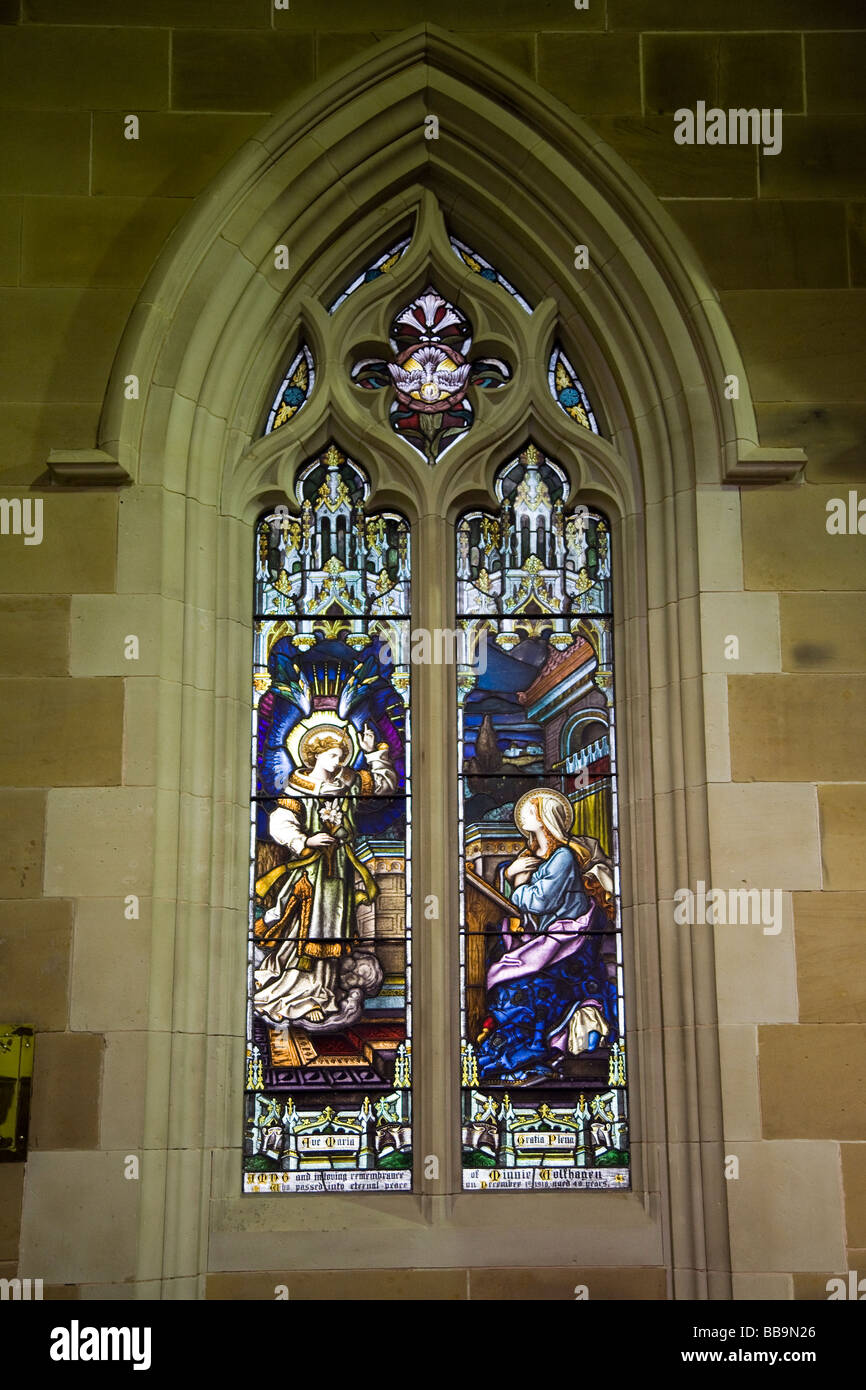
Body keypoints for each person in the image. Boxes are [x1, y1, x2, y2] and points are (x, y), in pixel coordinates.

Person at [253, 720, 396, 1026]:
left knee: (333, 930)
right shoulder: (298, 787)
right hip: (312, 867)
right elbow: (281, 822)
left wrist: (373, 754)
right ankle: (301, 991)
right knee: (304, 928)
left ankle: (323, 991)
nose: (339, 762)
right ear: (314, 756)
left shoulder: (349, 782)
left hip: (340, 869)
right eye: (333, 755)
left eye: (342, 756)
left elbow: (386, 785)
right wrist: (305, 840)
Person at [476, 788, 617, 1085]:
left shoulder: (563, 856)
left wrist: (515, 879)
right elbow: (525, 906)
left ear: (544, 818)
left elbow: (540, 901)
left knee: (523, 988)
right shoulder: (537, 856)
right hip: (547, 941)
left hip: (569, 945)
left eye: (531, 808)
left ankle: (532, 1056)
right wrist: (514, 877)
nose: (523, 811)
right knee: (501, 975)